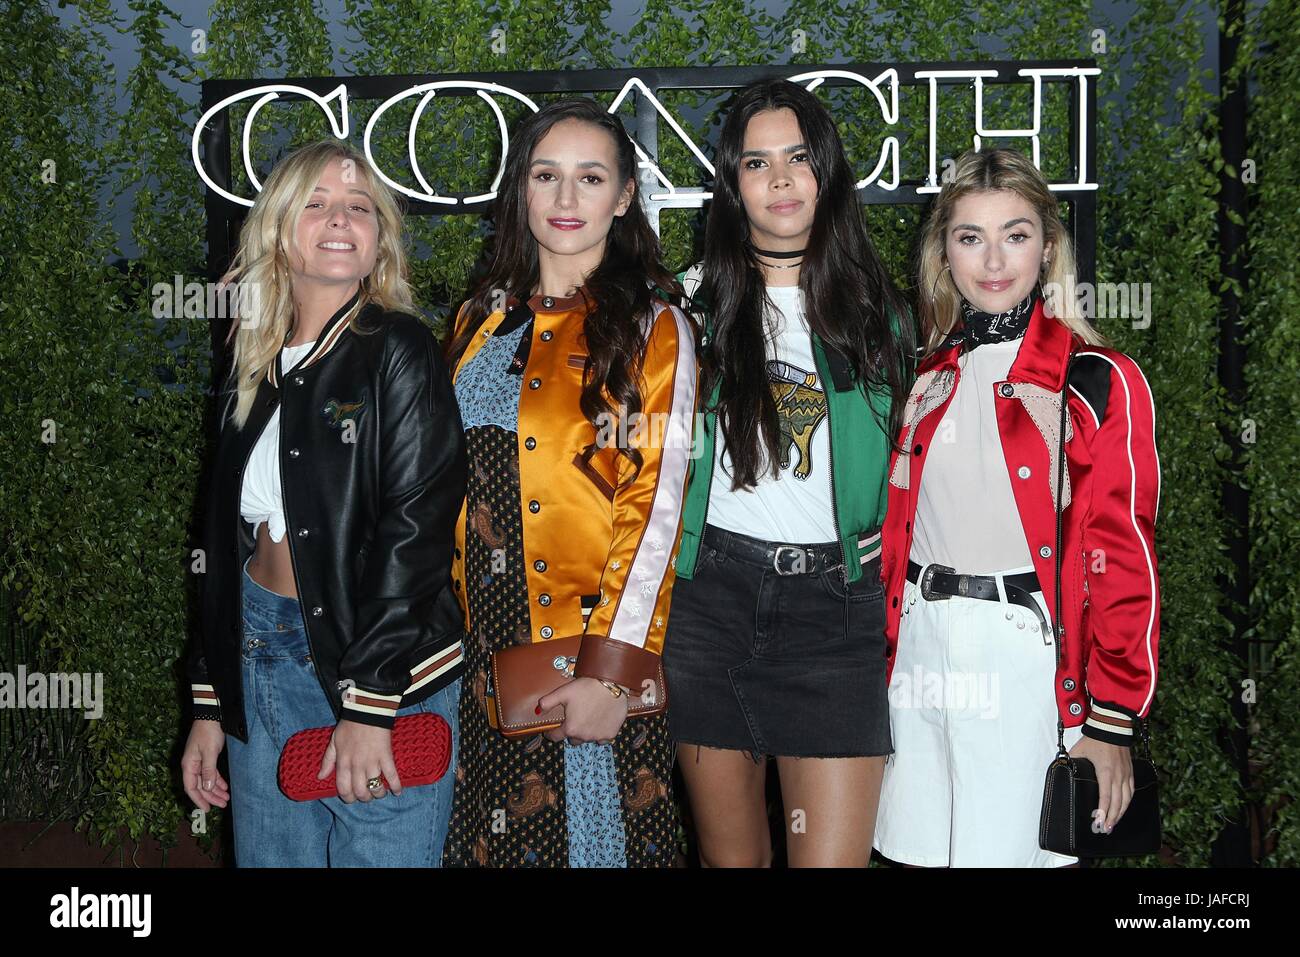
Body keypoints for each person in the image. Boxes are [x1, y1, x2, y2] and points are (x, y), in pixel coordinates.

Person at [179, 140, 467, 866]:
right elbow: (221, 539)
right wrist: (212, 703)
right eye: (317, 203)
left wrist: (370, 700)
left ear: (379, 240)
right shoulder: (252, 360)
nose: (341, 218)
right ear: (279, 228)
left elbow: (418, 531)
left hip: (376, 665)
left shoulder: (398, 347)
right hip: (256, 654)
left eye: (360, 207)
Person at [872, 147, 1161, 867]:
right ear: (945, 250)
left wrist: (1114, 720)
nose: (993, 259)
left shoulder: (1097, 381)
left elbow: (1126, 558)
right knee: (912, 857)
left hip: (1022, 663)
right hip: (917, 655)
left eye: (1016, 233)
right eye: (970, 236)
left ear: (1049, 246)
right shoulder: (921, 379)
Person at [663, 78, 914, 867]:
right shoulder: (685, 314)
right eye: (756, 162)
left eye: (799, 158)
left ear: (827, 172)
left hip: (836, 613)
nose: (779, 179)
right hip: (709, 609)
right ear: (732, 185)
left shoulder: (884, 318)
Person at [440, 99, 697, 868]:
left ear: (622, 198)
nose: (564, 199)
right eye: (545, 175)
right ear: (521, 187)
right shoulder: (476, 323)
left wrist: (611, 677)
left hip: (582, 651)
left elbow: (657, 508)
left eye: (590, 179)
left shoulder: (655, 328)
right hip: (480, 654)